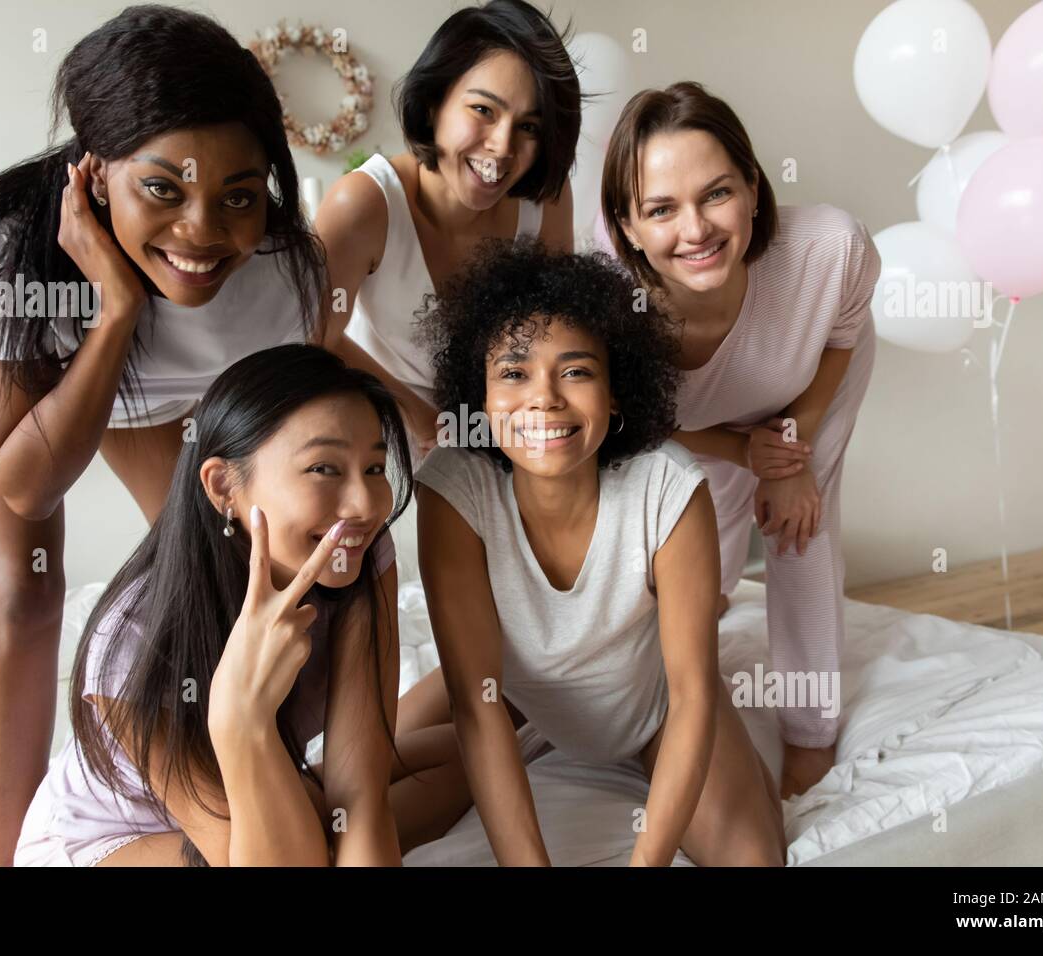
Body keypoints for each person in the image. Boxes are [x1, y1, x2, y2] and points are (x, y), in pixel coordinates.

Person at [0, 5, 325, 864]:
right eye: (163, 190)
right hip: (33, 371)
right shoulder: (11, 248)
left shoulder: (288, 275)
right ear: (95, 176)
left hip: (175, 383)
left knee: (207, 566)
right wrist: (114, 316)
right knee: (20, 589)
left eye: (239, 197)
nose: (203, 231)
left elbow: (290, 461)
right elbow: (26, 484)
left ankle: (209, 787)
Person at [409, 240, 785, 866]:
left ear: (615, 392)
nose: (545, 399)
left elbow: (691, 696)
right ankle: (532, 732)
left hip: (656, 711)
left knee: (756, 861)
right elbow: (476, 706)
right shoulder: (454, 487)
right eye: (513, 373)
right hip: (518, 699)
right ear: (480, 393)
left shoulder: (668, 487)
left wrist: (645, 863)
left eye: (576, 371)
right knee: (351, 789)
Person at [14, 344, 458, 866]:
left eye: (375, 468)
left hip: (258, 784)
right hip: (118, 837)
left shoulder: (360, 554)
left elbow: (360, 796)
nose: (363, 505)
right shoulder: (130, 644)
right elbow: (241, 857)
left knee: (471, 759)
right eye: (323, 468)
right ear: (224, 486)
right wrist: (239, 714)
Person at [600, 81, 881, 798]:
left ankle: (809, 735)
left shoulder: (830, 247)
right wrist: (743, 454)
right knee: (700, 514)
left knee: (797, 530)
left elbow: (843, 342)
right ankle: (718, 591)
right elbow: (645, 423)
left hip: (810, 379)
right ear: (626, 227)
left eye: (717, 194)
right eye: (661, 209)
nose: (695, 229)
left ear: (754, 189)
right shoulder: (609, 310)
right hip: (691, 420)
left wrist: (792, 454)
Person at [314, 0, 579, 459]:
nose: (502, 147)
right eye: (483, 110)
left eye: (529, 126)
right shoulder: (361, 205)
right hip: (387, 419)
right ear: (434, 103)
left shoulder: (545, 200)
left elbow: (555, 330)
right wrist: (418, 415)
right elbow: (318, 341)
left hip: (508, 423)